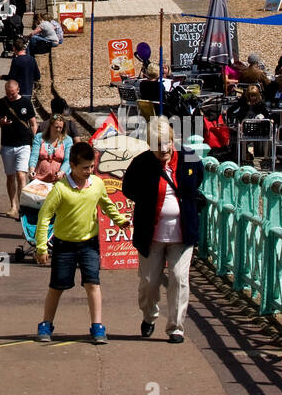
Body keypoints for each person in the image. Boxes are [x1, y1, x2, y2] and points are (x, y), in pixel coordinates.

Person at [34, 142, 131, 344]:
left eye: (91, 167)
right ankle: (46, 323)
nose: (89, 171)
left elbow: (106, 203)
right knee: (57, 286)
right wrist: (41, 246)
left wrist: (120, 219)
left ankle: (97, 326)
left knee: (92, 284)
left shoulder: (96, 184)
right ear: (72, 165)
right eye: (84, 167)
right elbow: (44, 217)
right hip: (64, 245)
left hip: (89, 244)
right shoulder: (60, 189)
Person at [122, 118, 205, 344]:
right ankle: (149, 316)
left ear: (172, 139)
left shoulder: (189, 156)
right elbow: (128, 188)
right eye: (157, 145)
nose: (163, 150)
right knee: (149, 282)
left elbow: (198, 179)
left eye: (166, 143)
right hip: (152, 234)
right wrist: (148, 199)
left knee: (179, 278)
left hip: (182, 232)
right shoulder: (141, 163)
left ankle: (176, 327)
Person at [0, 78, 37, 218]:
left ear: (18, 90)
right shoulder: (1, 103)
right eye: (8, 93)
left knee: (21, 175)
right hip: (7, 144)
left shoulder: (25, 102)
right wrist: (2, 122)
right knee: (10, 176)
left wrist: (35, 140)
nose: (10, 96)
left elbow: (33, 123)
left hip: (24, 144)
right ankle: (13, 206)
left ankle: (23, 207)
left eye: (12, 93)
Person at [29, 115, 72, 183]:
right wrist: (32, 170)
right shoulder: (39, 137)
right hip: (39, 177)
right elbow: (34, 156)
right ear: (50, 126)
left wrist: (61, 172)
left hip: (57, 179)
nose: (58, 130)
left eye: (60, 128)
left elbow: (67, 160)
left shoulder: (68, 140)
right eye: (56, 127)